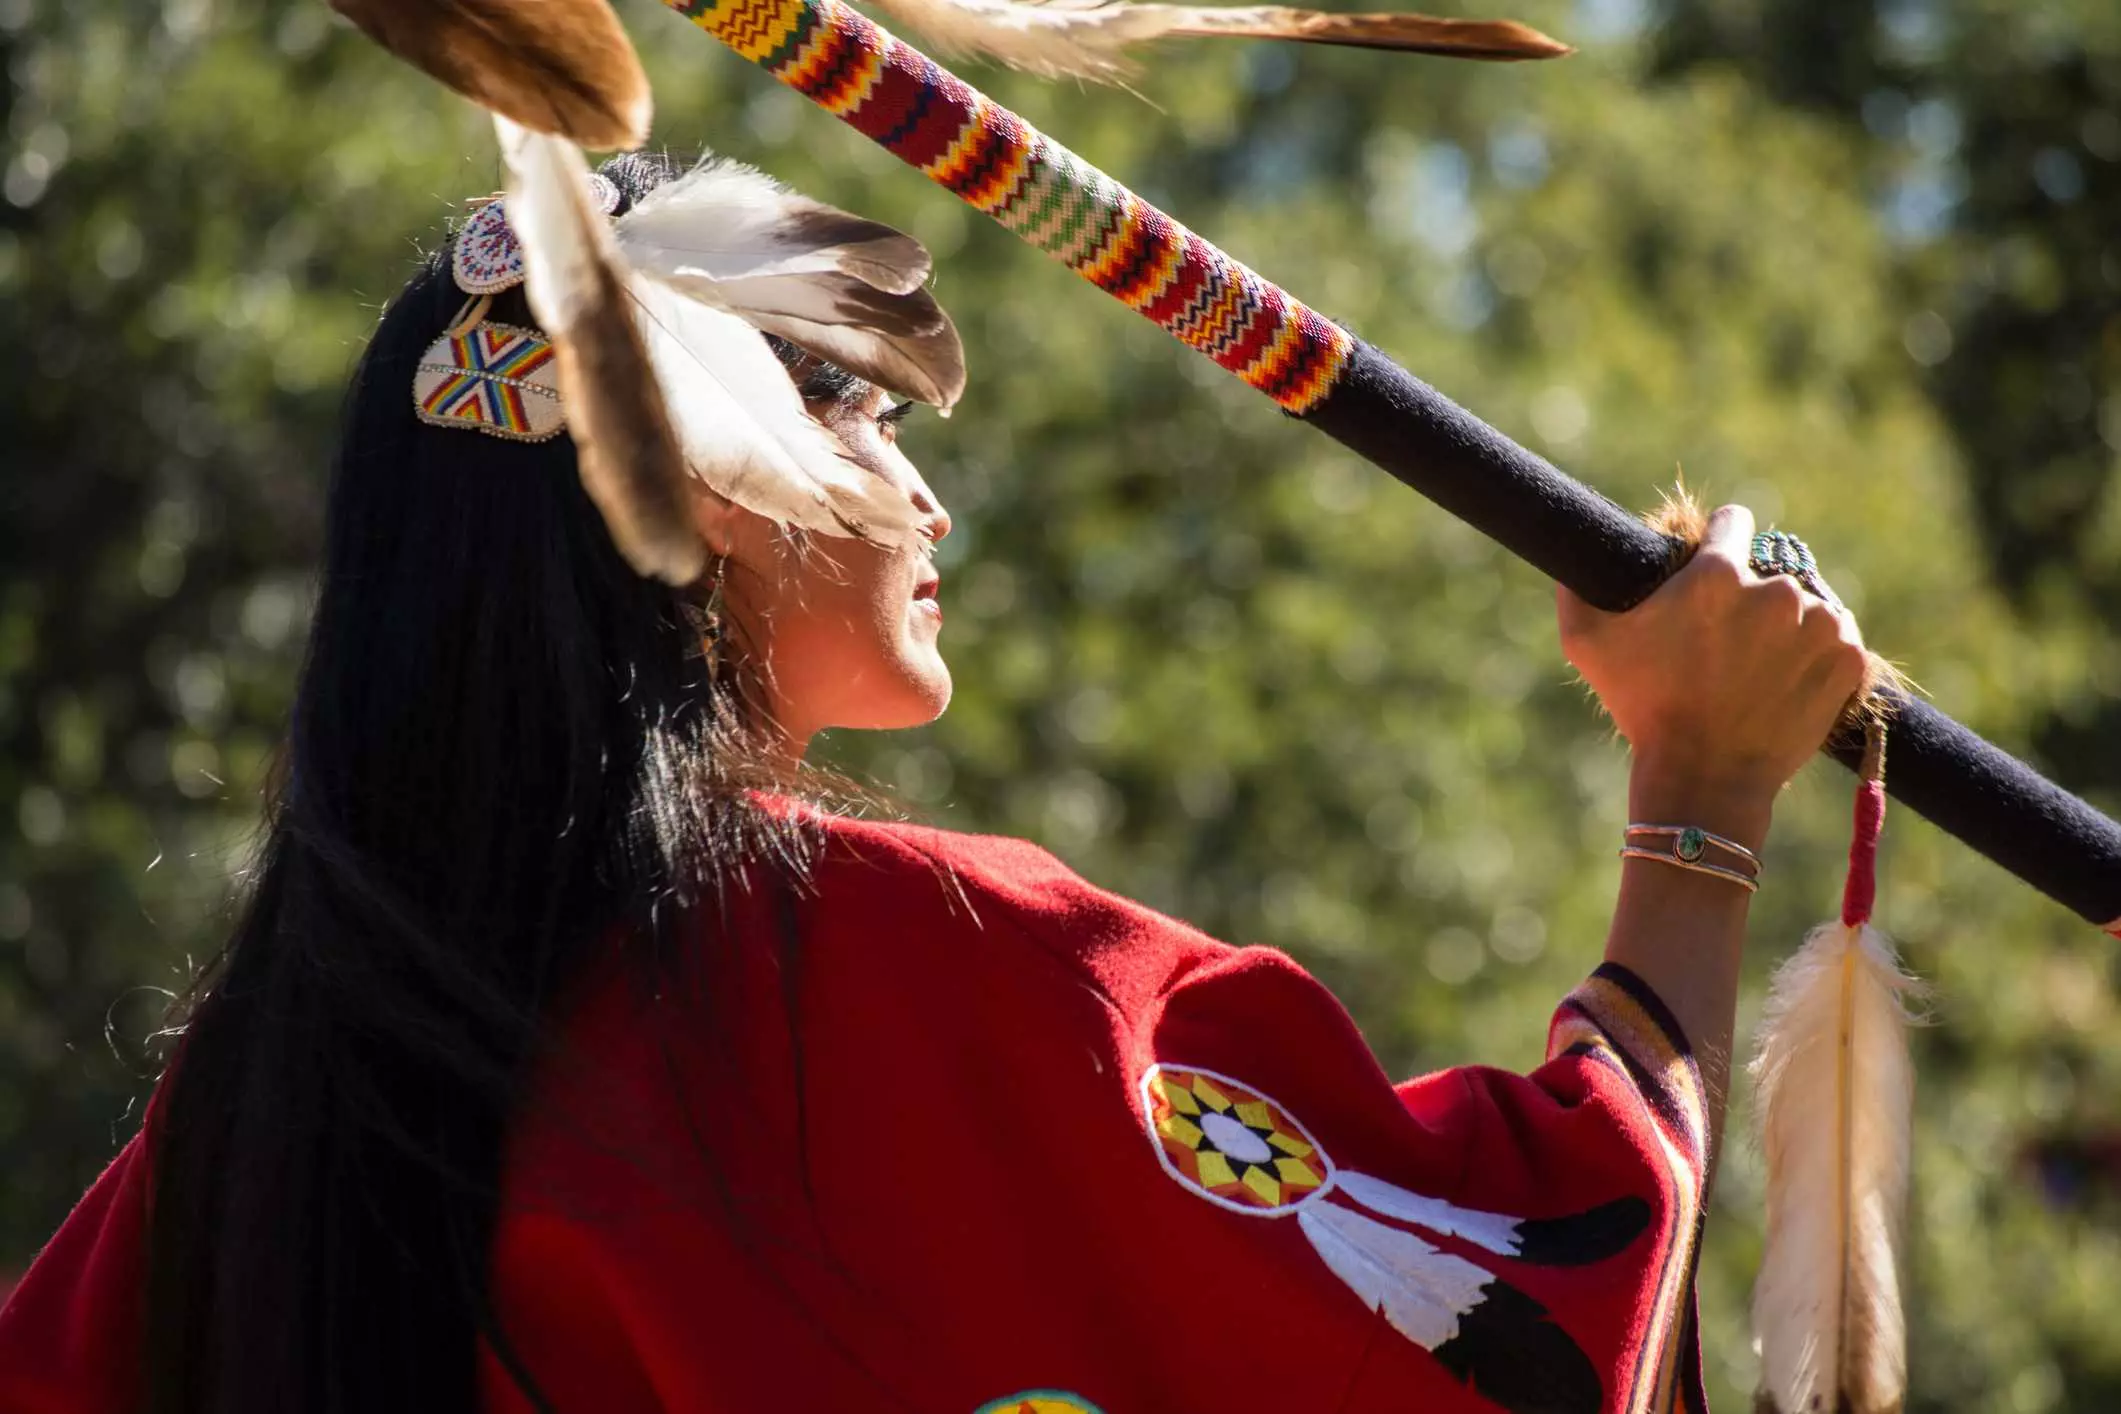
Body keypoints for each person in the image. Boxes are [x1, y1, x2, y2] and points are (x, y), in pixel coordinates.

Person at [0, 153, 1865, 1414]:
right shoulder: (909, 973)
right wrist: (1698, 796)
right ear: (720, 476)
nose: (929, 497)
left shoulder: (262, 1093)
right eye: (868, 413)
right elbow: (1502, 1318)